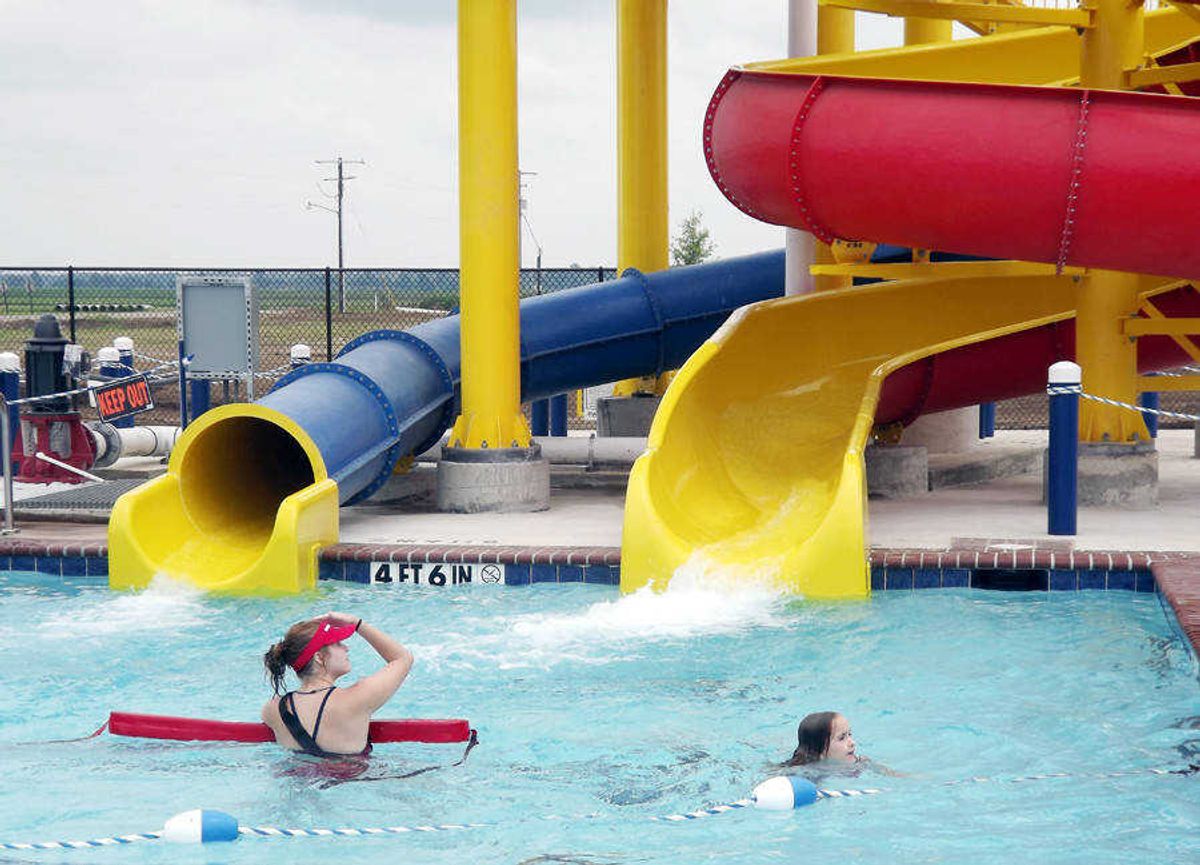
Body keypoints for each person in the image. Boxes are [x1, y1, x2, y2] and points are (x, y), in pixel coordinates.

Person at [262, 611, 413, 758]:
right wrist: (357, 623)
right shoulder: (356, 698)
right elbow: (403, 658)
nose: (346, 648)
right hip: (352, 779)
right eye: (338, 643)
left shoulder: (272, 710)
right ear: (319, 658)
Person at [784, 711, 859, 767]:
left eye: (849, 734)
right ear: (820, 750)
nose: (852, 743)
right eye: (841, 738)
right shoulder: (803, 773)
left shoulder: (860, 764)